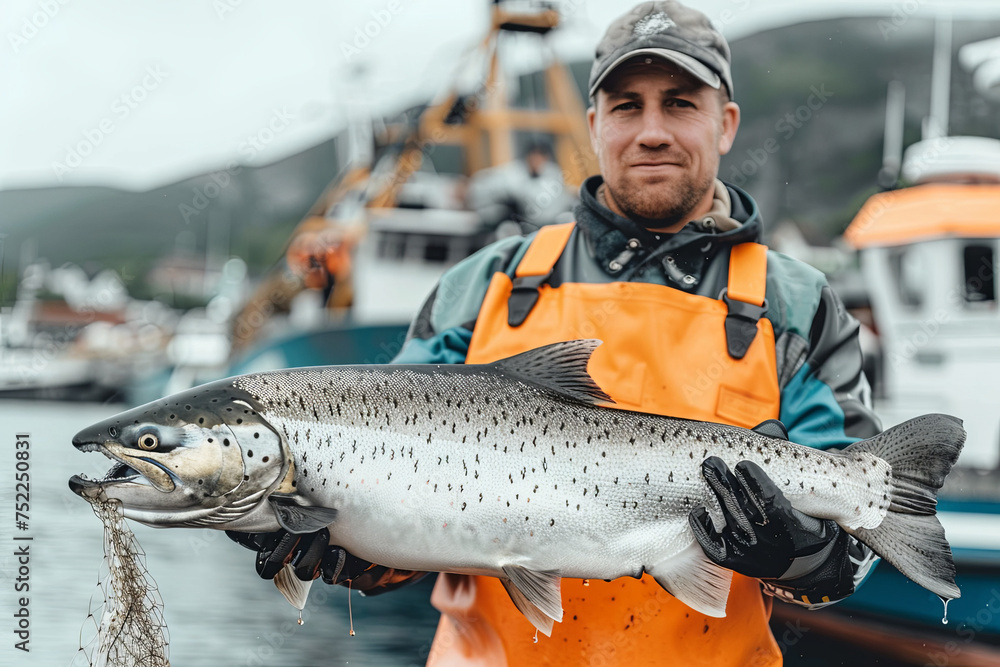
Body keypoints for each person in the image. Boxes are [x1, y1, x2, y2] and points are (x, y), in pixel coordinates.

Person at [228, 2, 881, 665]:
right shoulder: (481, 287)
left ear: (727, 123)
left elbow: (852, 564)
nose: (652, 131)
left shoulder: (798, 305)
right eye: (627, 106)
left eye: (681, 103)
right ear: (594, 125)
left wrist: (800, 551)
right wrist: (343, 548)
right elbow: (403, 533)